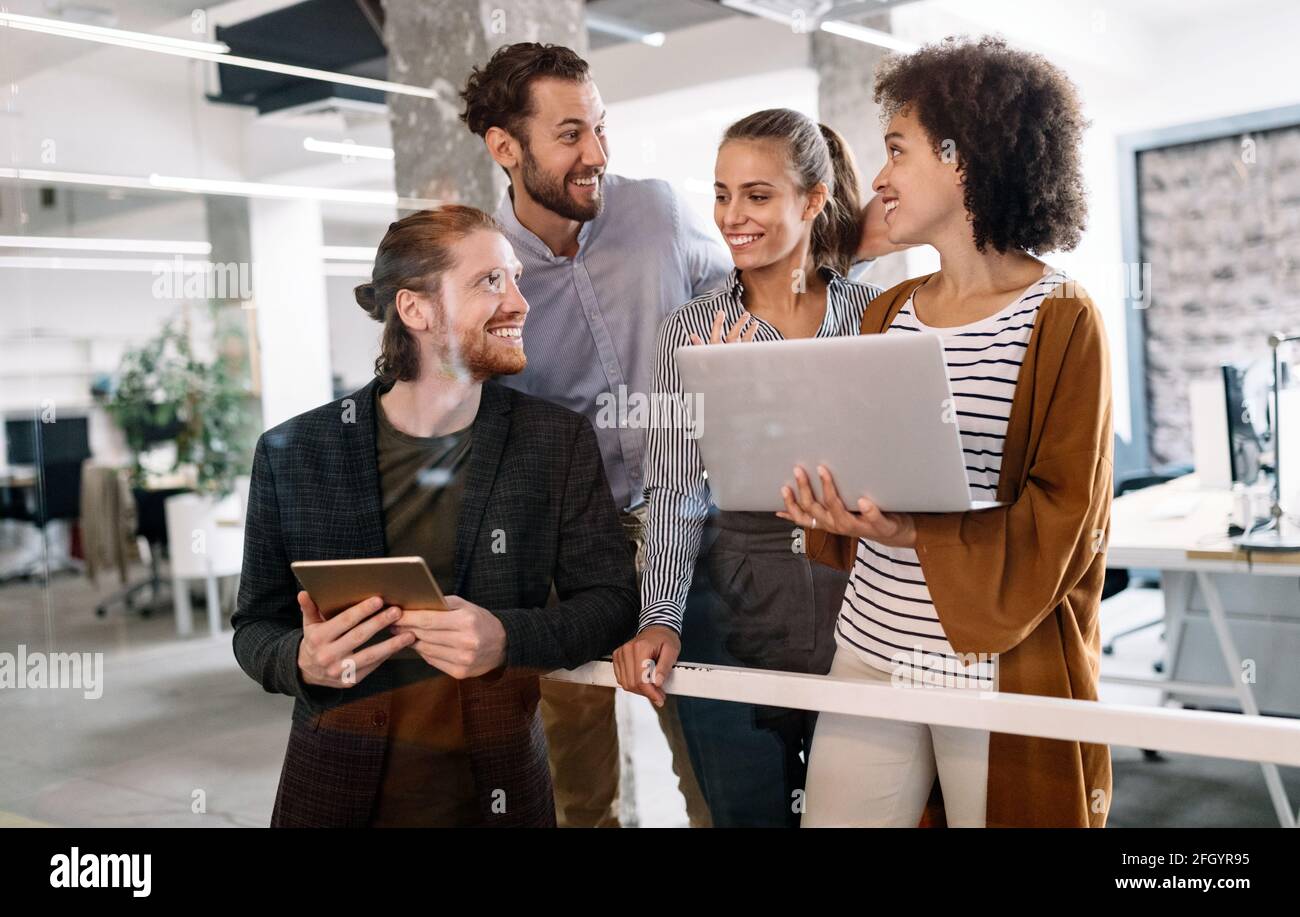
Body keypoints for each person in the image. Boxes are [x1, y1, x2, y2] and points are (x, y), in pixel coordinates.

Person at [779, 36, 1112, 828]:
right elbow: (869, 463)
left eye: (898, 149)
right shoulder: (890, 310)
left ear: (962, 159)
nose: (882, 176)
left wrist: (914, 531)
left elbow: (1066, 517)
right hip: (868, 644)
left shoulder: (1064, 318)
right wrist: (832, 503)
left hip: (990, 662)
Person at [231, 205, 638, 828]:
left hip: (499, 795)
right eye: (490, 282)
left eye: (516, 280)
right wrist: (300, 661)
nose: (520, 303)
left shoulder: (554, 442)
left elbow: (612, 602)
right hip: (334, 796)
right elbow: (256, 626)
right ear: (416, 311)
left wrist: (508, 638)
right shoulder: (296, 453)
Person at [459, 41, 731, 828]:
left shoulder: (656, 212)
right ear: (506, 148)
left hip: (683, 516)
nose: (598, 154)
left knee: (711, 762)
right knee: (579, 792)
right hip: (563, 550)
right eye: (571, 134)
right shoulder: (488, 274)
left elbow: (738, 303)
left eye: (602, 128)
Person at [612, 109, 882, 827]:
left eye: (757, 196)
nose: (733, 216)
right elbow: (673, 492)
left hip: (855, 607)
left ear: (813, 200)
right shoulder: (687, 331)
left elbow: (895, 471)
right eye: (723, 193)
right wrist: (660, 617)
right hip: (729, 615)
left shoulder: (876, 317)